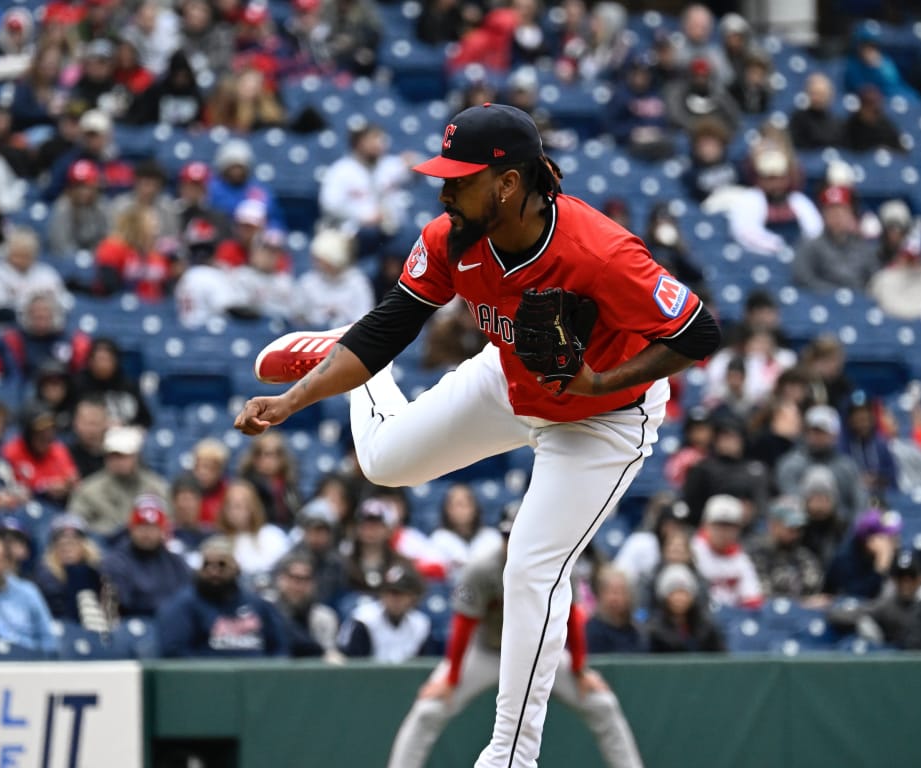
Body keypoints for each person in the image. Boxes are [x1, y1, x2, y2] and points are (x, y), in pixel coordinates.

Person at [239, 103, 719, 768]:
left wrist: (600, 384)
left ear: (508, 183)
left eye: (459, 178)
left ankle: (508, 757)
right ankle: (339, 364)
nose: (444, 191)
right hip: (513, 375)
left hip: (604, 419)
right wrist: (295, 397)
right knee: (382, 462)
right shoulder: (450, 236)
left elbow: (699, 333)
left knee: (530, 567)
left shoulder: (600, 252)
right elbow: (390, 327)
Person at [387, 537, 643, 768]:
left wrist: (579, 669)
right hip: (487, 652)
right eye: (507, 537)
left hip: (538, 654)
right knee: (428, 709)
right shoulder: (482, 569)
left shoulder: (556, 564)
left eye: (517, 535)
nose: (512, 542)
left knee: (602, 704)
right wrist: (452, 678)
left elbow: (572, 620)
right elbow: (463, 624)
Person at [157, 536, 287, 658]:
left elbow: (281, 648)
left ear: (236, 568)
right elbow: (174, 652)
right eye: (207, 565)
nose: (213, 571)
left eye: (222, 565)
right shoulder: (183, 605)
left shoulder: (258, 604)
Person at [318, 123, 413, 258]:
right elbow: (329, 204)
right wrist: (364, 216)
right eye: (372, 139)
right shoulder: (341, 170)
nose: (378, 144)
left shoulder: (389, 165)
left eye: (380, 139)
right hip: (352, 231)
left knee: (412, 236)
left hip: (390, 230)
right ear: (358, 143)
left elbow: (417, 167)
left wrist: (412, 160)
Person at [68, 426, 169, 537]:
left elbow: (168, 523)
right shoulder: (88, 491)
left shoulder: (156, 488)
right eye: (112, 456)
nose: (117, 461)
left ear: (136, 456)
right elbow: (75, 526)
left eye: (123, 456)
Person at [101, 496, 192, 618]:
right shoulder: (115, 561)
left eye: (152, 527)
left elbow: (186, 598)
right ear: (131, 528)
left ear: (162, 531)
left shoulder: (176, 562)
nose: (147, 533)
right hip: (129, 625)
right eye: (141, 526)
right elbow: (122, 603)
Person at [774, 406, 870, 520]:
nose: (817, 436)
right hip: (799, 527)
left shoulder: (846, 466)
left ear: (835, 435)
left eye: (823, 432)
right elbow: (787, 503)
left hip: (840, 527)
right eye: (814, 431)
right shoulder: (791, 464)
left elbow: (860, 503)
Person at [337, 563, 432, 663]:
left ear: (412, 597)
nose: (395, 599)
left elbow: (425, 663)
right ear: (382, 594)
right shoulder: (364, 619)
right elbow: (353, 662)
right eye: (391, 593)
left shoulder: (420, 623)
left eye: (401, 594)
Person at [680, 418, 768, 523]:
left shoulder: (756, 469)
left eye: (733, 437)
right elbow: (691, 506)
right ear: (716, 440)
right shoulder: (702, 469)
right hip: (710, 526)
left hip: (748, 530)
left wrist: (753, 511)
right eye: (724, 437)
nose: (728, 442)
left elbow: (763, 505)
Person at [0, 229, 69, 326]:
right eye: (17, 255)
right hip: (8, 327)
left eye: (26, 256)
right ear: (9, 254)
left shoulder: (47, 274)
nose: (21, 260)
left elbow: (65, 302)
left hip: (44, 327)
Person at [792, 186, 876, 293]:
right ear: (823, 215)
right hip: (820, 302)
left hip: (858, 303)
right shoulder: (810, 246)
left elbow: (874, 279)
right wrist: (835, 294)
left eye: (842, 211)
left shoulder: (864, 248)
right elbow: (803, 278)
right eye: (831, 211)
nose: (837, 217)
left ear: (851, 214)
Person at [291, 229, 374, 330]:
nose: (317, 263)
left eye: (321, 259)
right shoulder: (307, 282)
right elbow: (298, 317)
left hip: (348, 337)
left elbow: (365, 319)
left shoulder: (358, 282)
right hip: (315, 337)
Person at [32, 514, 106, 627]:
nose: (67, 548)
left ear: (85, 546)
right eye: (61, 544)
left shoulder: (99, 573)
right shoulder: (45, 577)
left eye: (72, 542)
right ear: (54, 549)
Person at [218, 480, 292, 585]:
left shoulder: (273, 536)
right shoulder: (218, 543)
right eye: (231, 505)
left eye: (240, 505)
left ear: (253, 506)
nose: (235, 511)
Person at [69, 338, 152, 428]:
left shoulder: (129, 385)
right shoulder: (78, 384)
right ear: (90, 362)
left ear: (116, 361)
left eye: (106, 360)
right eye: (99, 359)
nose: (102, 365)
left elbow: (145, 420)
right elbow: (69, 416)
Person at [271, 553, 341, 659]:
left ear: (313, 584)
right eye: (293, 578)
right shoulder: (267, 609)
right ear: (281, 579)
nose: (298, 586)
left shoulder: (324, 617)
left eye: (305, 579)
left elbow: (329, 656)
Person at [823, 509, 901, 601]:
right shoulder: (844, 560)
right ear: (869, 539)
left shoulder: (895, 554)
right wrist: (881, 565)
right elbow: (859, 597)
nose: (892, 541)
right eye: (886, 537)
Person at [645, 563, 724, 653]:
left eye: (684, 592)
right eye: (674, 592)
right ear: (665, 597)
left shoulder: (706, 627)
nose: (679, 598)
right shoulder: (654, 630)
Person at [428, 483, 502, 577]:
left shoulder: (492, 537)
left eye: (465, 504)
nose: (461, 510)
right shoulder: (438, 539)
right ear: (447, 509)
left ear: (475, 508)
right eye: (456, 505)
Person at [585, 566, 645, 654]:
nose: (616, 598)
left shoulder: (636, 631)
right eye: (612, 592)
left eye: (622, 591)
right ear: (600, 594)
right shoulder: (592, 630)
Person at [66, 397, 110, 480]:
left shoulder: (115, 454)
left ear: (106, 424)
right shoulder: (65, 454)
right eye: (85, 423)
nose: (91, 430)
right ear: (75, 423)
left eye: (95, 423)